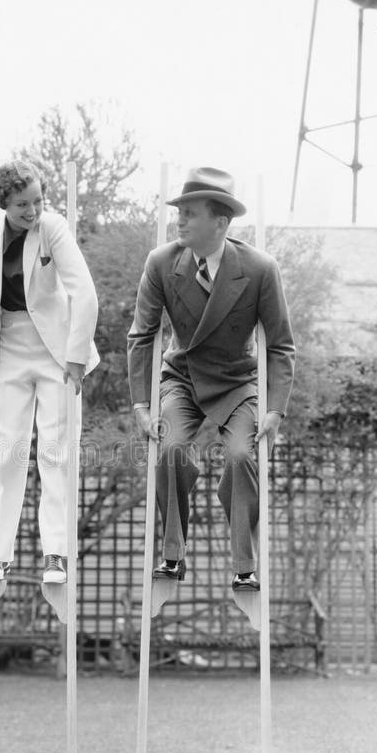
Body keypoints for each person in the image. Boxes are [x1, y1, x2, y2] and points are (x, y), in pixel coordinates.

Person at [127, 166, 295, 594]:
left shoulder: (260, 268)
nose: (180, 220)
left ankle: (244, 564)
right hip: (181, 376)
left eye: (190, 213)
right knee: (170, 447)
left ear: (220, 223)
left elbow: (280, 346)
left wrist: (275, 411)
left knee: (241, 456)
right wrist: (141, 406)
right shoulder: (161, 262)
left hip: (237, 381)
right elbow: (142, 336)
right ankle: (173, 553)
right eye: (179, 212)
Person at [0, 159, 98, 584]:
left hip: (57, 351)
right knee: (7, 453)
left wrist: (76, 357)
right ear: (3, 204)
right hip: (7, 349)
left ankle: (55, 554)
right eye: (22, 205)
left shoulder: (54, 228)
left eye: (37, 201)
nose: (32, 211)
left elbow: (84, 293)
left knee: (56, 451)